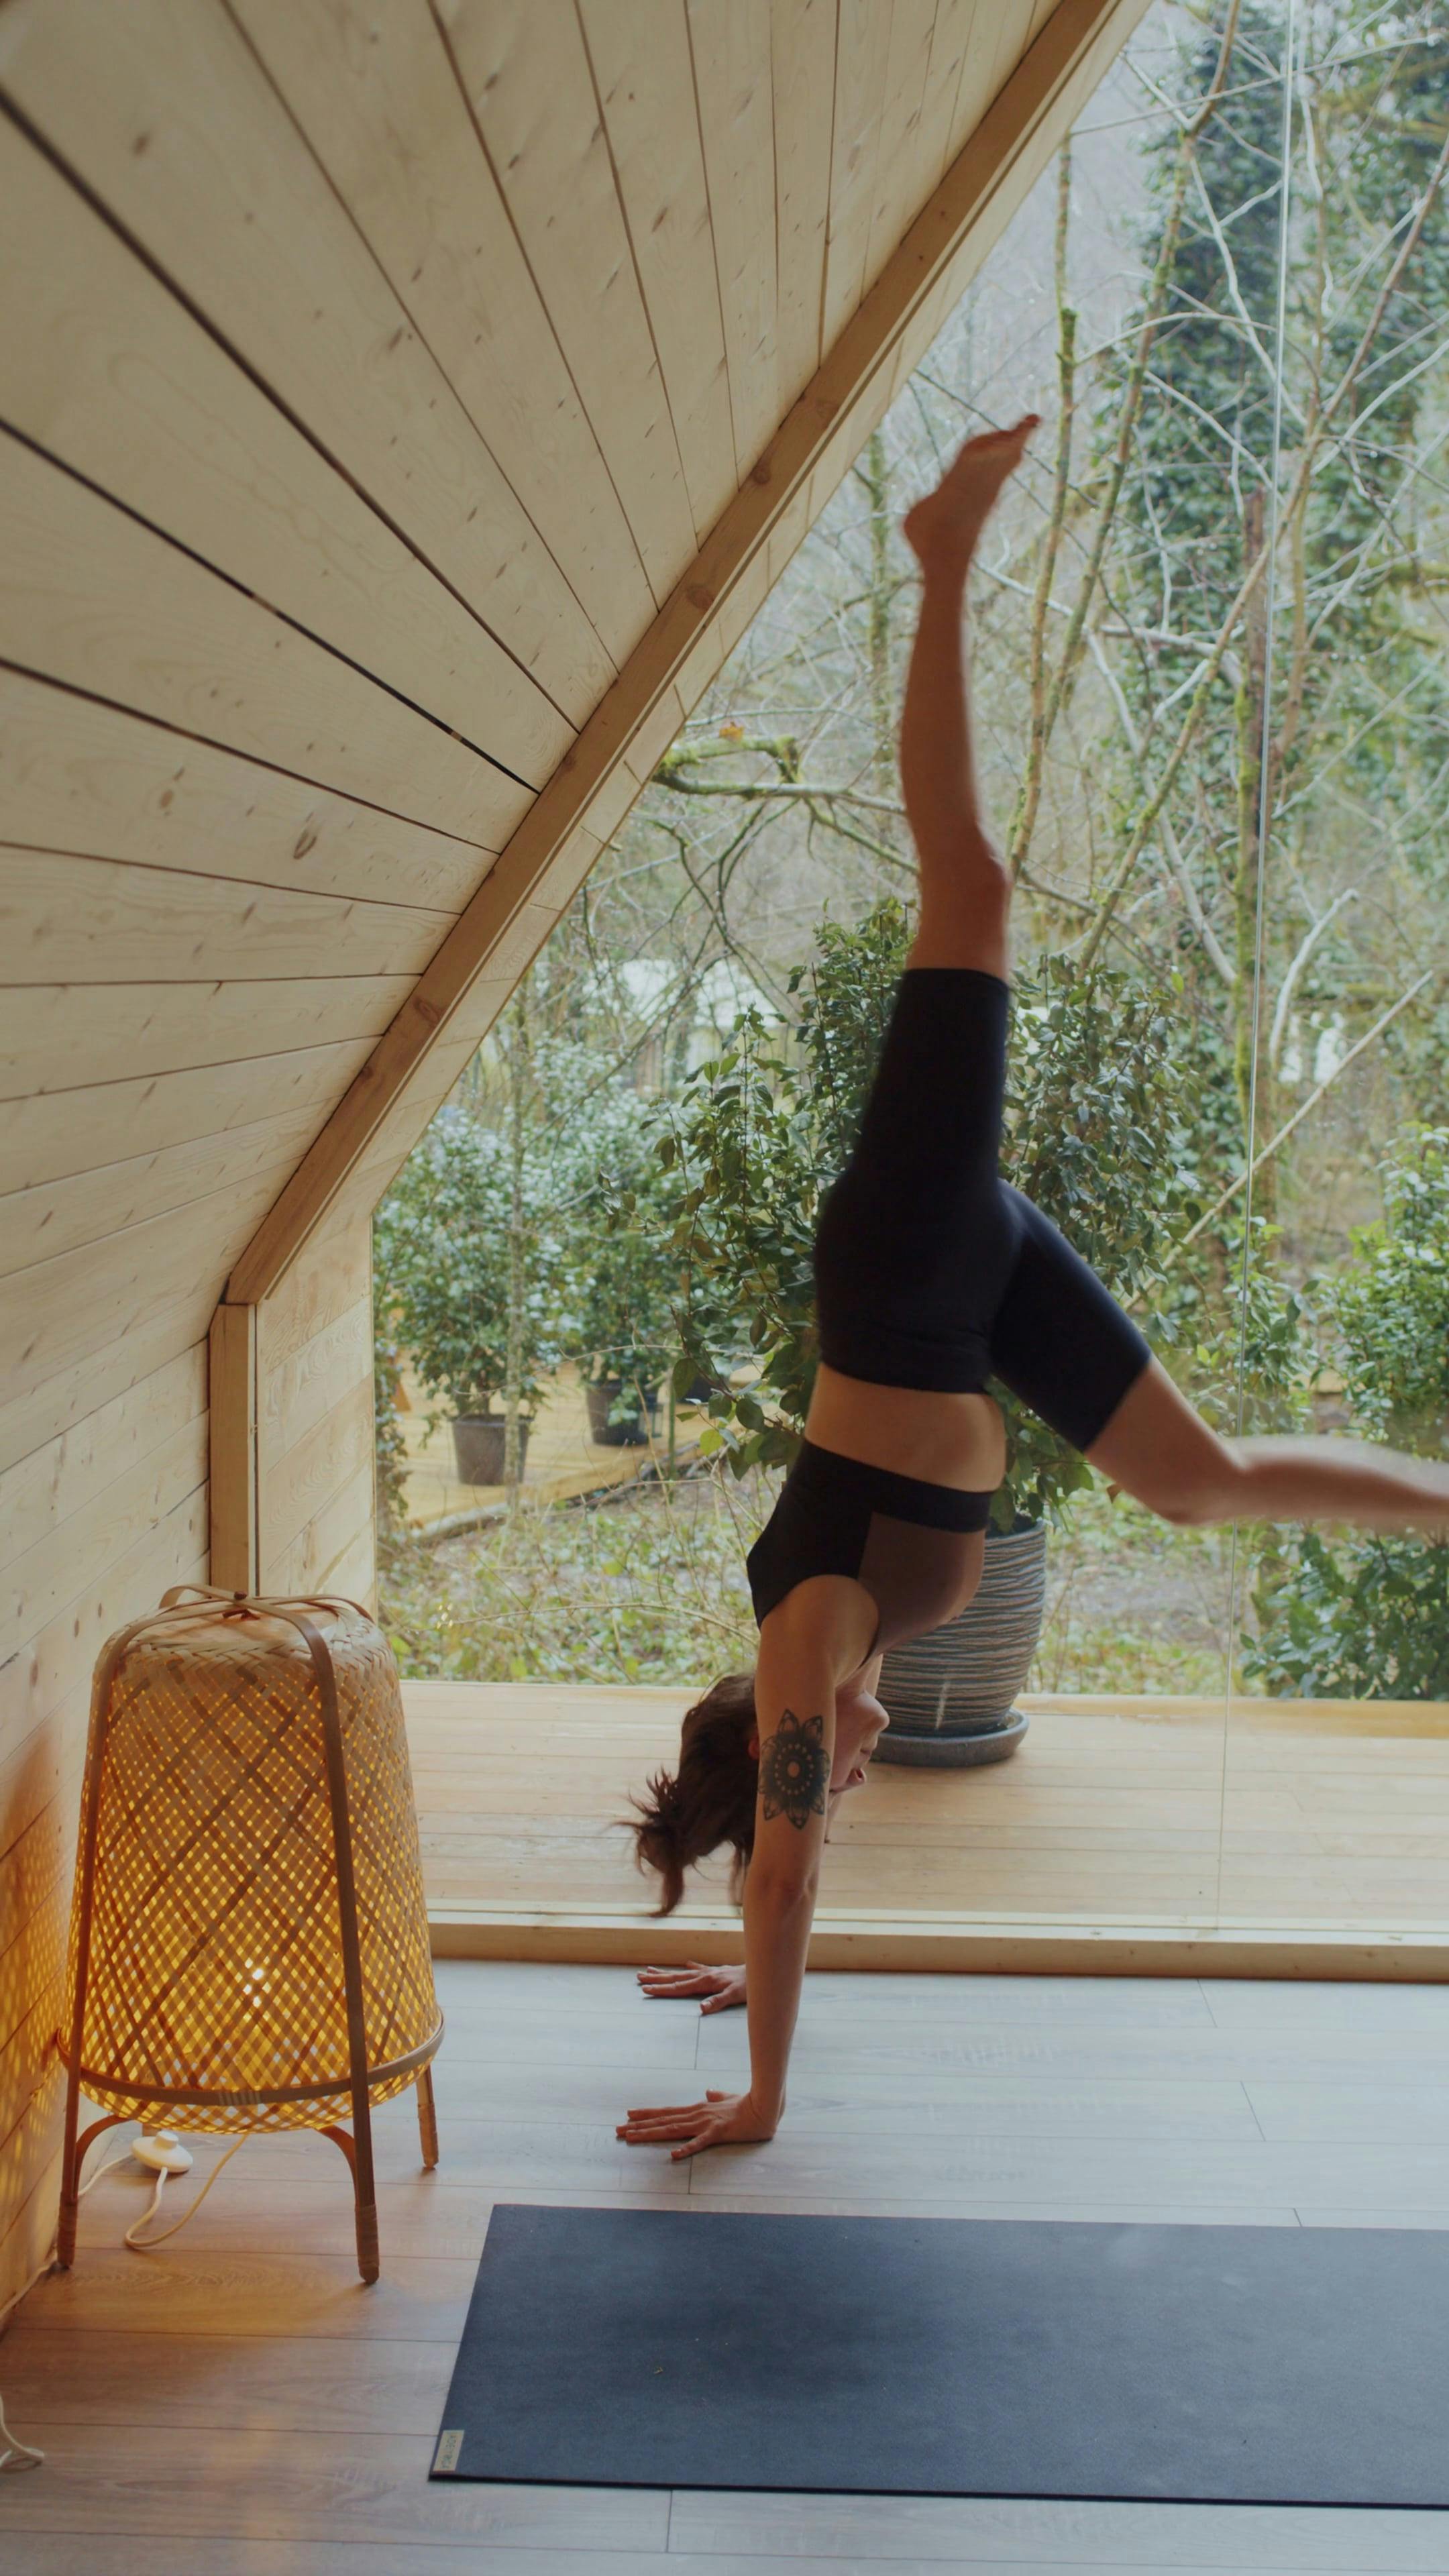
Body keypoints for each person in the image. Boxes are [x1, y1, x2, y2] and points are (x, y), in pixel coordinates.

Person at [618, 417, 1449, 2163]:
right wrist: (734, 1971)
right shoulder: (837, 1665)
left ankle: (938, 551)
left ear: (778, 1736)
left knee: (973, 893)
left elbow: (782, 1876)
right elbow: (771, 1886)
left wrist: (763, 2090)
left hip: (913, 1264)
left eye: (822, 1777)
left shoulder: (802, 1647)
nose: (842, 1786)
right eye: (832, 1779)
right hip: (973, 1297)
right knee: (1197, 1480)